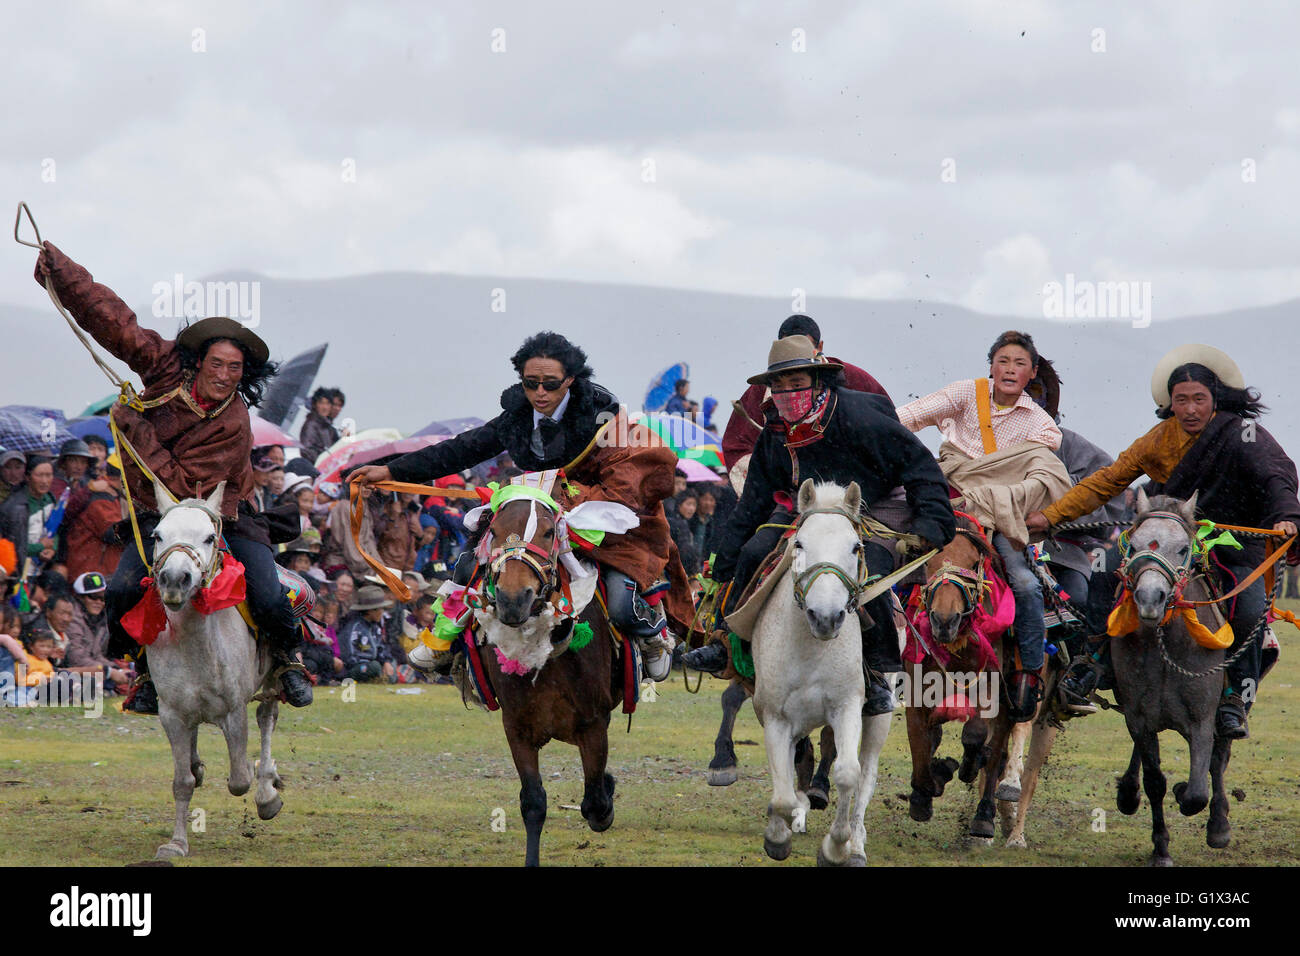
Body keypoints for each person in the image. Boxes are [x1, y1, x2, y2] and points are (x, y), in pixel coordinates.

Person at [32, 240, 313, 713]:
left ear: (243, 373)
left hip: (225, 514)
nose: (224, 375)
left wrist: (133, 426)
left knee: (267, 593)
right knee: (122, 590)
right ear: (199, 360)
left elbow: (183, 487)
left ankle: (288, 661)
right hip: (157, 516)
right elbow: (115, 321)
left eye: (235, 368)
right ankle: (144, 671)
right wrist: (60, 272)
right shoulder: (164, 366)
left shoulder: (235, 422)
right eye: (217, 364)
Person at [351, 332, 692, 682]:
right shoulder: (516, 417)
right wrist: (391, 470)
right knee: (471, 560)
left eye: (550, 384)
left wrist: (565, 499)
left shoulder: (605, 417)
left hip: (606, 517)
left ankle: (652, 636)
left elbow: (626, 484)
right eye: (531, 383)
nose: (540, 393)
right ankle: (443, 640)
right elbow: (460, 449)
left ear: (570, 380)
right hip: (539, 516)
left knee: (619, 603)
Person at [1026, 345, 1300, 739]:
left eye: (1199, 399)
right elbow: (1106, 482)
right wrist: (1050, 516)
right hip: (1166, 539)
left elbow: (1277, 476)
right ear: (1170, 403)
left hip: (1235, 544)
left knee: (1251, 608)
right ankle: (1092, 659)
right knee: (1102, 566)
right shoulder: (1158, 439)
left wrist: (1288, 516)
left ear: (1215, 398)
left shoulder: (1243, 433)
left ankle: (1236, 699)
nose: (1190, 409)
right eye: (1181, 400)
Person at [682, 336, 957, 714]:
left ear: (818, 382)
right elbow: (754, 502)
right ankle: (725, 642)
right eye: (779, 386)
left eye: (796, 383)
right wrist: (723, 562)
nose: (788, 393)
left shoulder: (862, 415)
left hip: (871, 507)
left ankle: (879, 674)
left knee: (872, 574)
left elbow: (920, 466)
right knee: (752, 552)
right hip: (804, 508)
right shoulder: (776, 431)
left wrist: (931, 523)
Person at [895, 330, 1069, 721]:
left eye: (1019, 363)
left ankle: (1028, 673)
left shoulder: (1041, 425)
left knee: (1025, 583)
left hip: (997, 517)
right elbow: (907, 417)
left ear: (1032, 373)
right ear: (991, 366)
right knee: (897, 565)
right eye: (1002, 361)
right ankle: (883, 667)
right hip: (946, 504)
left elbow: (1043, 471)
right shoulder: (964, 393)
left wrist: (1002, 496)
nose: (1010, 369)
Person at [721, 315, 893, 493]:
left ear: (820, 347)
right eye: (788, 348)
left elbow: (889, 432)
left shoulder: (854, 378)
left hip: (859, 490)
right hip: (790, 492)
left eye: (803, 347)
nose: (795, 355)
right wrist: (769, 487)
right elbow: (738, 445)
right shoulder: (761, 391)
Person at [0, 457, 59, 574]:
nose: (44, 481)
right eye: (39, 475)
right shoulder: (15, 507)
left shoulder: (50, 499)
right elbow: (15, 546)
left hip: (43, 567)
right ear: (27, 477)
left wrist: (52, 548)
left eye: (48, 475)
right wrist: (40, 546)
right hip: (21, 571)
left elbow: (56, 531)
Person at [337, 585, 396, 682]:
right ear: (369, 611)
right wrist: (365, 663)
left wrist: (386, 661)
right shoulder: (354, 628)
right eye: (380, 609)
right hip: (355, 668)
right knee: (375, 667)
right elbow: (348, 655)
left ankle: (380, 678)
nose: (382, 612)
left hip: (371, 664)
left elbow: (381, 648)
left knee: (391, 664)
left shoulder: (375, 628)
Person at [299, 388, 340, 464]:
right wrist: (325, 458)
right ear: (315, 405)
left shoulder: (328, 427)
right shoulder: (310, 425)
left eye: (328, 403)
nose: (325, 407)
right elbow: (306, 451)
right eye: (321, 403)